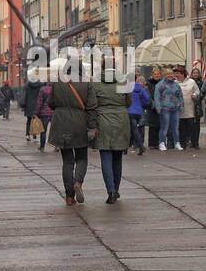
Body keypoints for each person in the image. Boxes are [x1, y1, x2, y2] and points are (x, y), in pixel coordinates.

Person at [47, 74, 98, 205]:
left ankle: (69, 196)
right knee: (81, 158)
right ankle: (78, 181)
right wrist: (92, 127)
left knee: (67, 161)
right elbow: (92, 106)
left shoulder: (57, 82)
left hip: (61, 122)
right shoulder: (86, 83)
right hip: (79, 122)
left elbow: (51, 103)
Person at [94, 66, 132, 203]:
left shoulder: (96, 83)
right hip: (121, 120)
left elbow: (93, 103)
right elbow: (129, 102)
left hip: (102, 120)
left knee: (105, 156)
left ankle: (110, 190)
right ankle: (116, 189)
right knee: (118, 157)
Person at [153, 67, 184, 151]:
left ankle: (177, 143)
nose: (170, 75)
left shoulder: (176, 84)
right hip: (164, 108)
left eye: (171, 73)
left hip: (175, 108)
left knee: (175, 127)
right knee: (164, 127)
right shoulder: (160, 85)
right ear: (164, 75)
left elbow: (180, 95)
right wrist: (158, 107)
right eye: (168, 74)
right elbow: (157, 97)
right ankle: (161, 143)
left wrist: (181, 105)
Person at [126, 74, 151, 156]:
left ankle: (137, 146)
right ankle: (139, 146)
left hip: (129, 111)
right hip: (138, 112)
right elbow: (147, 99)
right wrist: (141, 104)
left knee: (132, 130)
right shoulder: (141, 88)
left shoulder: (127, 88)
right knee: (135, 129)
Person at [180, 66, 202, 149]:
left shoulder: (191, 82)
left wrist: (195, 95)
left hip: (191, 108)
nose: (179, 75)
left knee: (192, 126)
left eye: (181, 74)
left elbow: (197, 91)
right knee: (182, 127)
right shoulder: (175, 82)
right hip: (180, 109)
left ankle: (194, 143)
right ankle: (183, 144)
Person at [32, 80, 54, 150]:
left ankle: (42, 146)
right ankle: (57, 147)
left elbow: (39, 102)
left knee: (43, 130)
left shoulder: (43, 89)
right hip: (54, 112)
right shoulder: (56, 89)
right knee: (55, 130)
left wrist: (36, 113)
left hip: (44, 113)